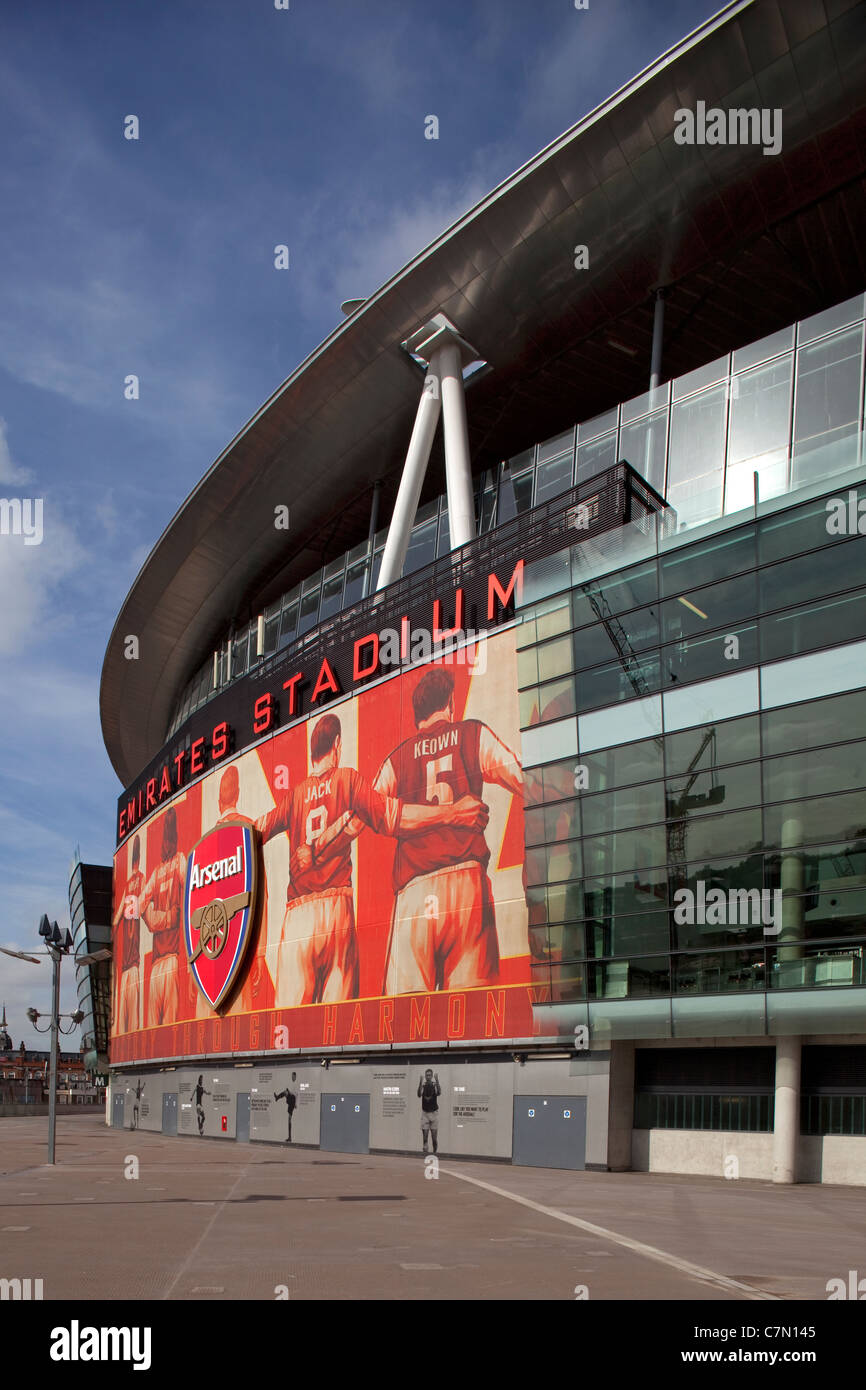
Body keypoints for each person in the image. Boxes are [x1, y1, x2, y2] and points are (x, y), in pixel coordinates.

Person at [257, 713, 486, 1007]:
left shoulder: (293, 797)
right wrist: (453, 813)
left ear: (312, 752)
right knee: (336, 1020)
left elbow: (256, 830)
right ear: (337, 744)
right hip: (337, 904)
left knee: (289, 1017)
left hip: (299, 910)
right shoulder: (348, 779)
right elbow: (389, 814)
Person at [372, 667, 523, 994]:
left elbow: (366, 813)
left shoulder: (395, 760)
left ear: (417, 716)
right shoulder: (473, 733)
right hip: (466, 883)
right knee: (471, 1010)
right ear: (451, 704)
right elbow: (523, 778)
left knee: (405, 1018)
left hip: (414, 890)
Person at [140, 808, 186, 1027]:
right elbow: (191, 893)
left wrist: (156, 920)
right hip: (169, 959)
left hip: (161, 961)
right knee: (169, 1029)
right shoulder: (179, 862)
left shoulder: (157, 872)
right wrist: (169, 918)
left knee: (156, 1034)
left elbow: (140, 906)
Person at [113, 835, 144, 1033]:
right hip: (133, 965)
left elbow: (116, 921)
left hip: (124, 966)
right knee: (133, 1029)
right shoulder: (142, 880)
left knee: (123, 1031)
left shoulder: (125, 888)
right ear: (139, 857)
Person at [418, 1069, 441, 1155]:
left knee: (434, 1138)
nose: (428, 1077)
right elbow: (419, 1095)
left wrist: (437, 1080)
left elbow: (439, 1092)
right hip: (425, 1114)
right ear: (425, 1076)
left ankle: (435, 1153)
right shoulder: (423, 1085)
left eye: (429, 1075)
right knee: (425, 1137)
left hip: (434, 1114)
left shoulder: (435, 1085)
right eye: (426, 1075)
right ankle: (425, 1155)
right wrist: (420, 1082)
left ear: (431, 1076)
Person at [274, 1071, 298, 1143]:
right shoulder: (291, 1083)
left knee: (286, 1091)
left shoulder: (296, 1084)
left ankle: (277, 1097)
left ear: (295, 1077)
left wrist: (296, 1104)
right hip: (290, 1100)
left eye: (293, 1076)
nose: (292, 1077)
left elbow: (296, 1095)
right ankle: (289, 1138)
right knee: (289, 1119)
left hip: (292, 1100)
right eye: (292, 1076)